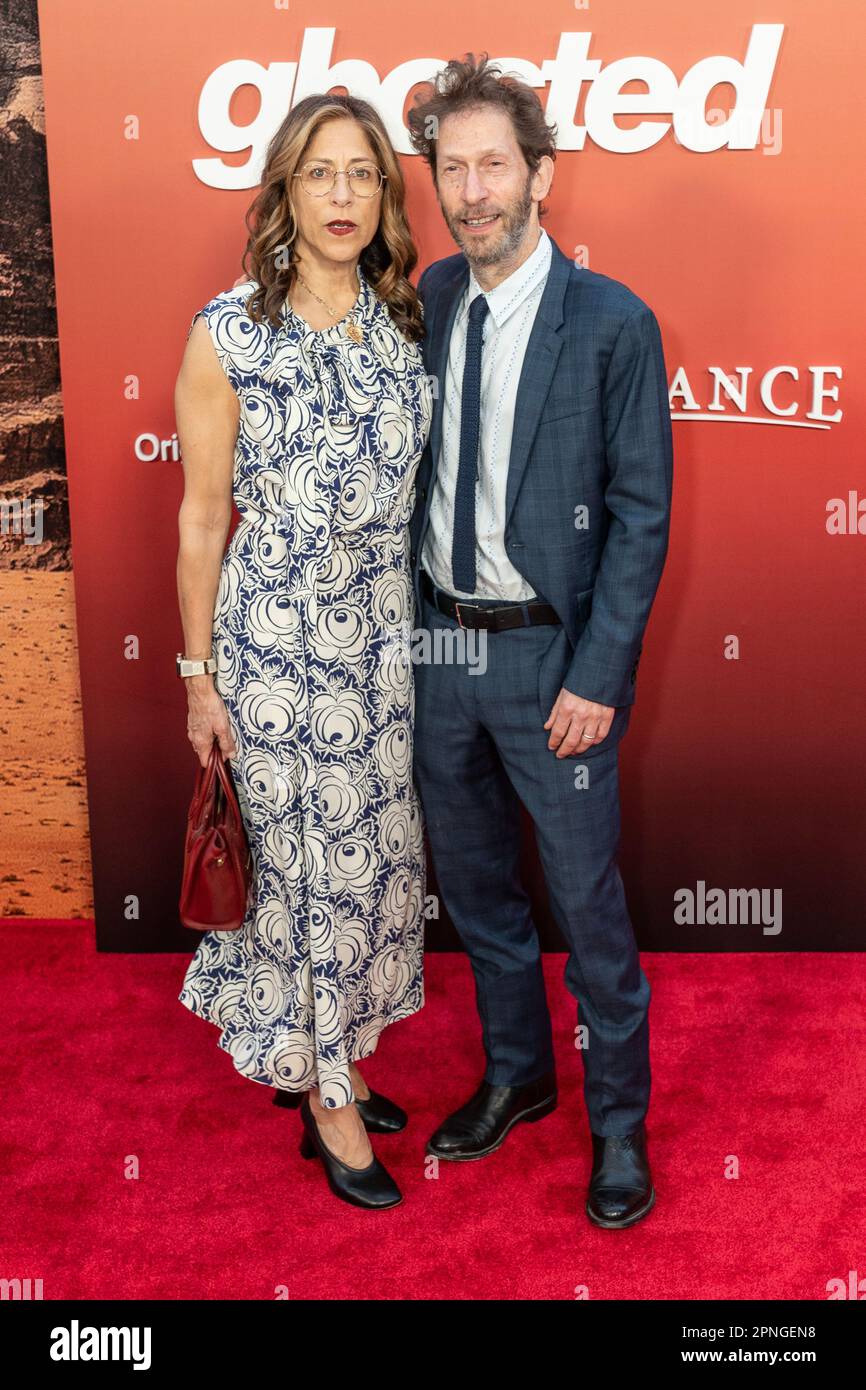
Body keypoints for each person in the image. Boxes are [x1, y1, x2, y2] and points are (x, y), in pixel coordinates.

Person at [406, 55, 673, 1228]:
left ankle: (616, 1126)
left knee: (584, 903)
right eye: (451, 168)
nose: (473, 190)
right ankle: (517, 1076)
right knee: (475, 892)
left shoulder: (613, 323)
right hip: (437, 653)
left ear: (540, 176)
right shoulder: (423, 299)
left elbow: (638, 516)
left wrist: (596, 674)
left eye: (493, 165)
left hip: (550, 663)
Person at [174, 93, 432, 1211]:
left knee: (366, 859)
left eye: (363, 175)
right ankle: (324, 1100)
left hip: (379, 642)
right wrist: (198, 681)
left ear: (384, 197)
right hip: (273, 643)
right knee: (304, 868)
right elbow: (198, 519)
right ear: (283, 188)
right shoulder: (225, 330)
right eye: (320, 174)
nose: (342, 196)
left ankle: (343, 1052)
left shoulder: (406, 323)